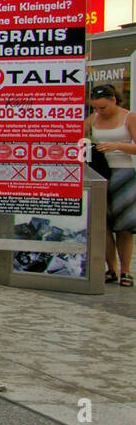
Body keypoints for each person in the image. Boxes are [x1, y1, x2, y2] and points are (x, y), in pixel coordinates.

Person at [85, 84, 136, 286]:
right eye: (96, 108)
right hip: (100, 172)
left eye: (103, 108)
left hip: (123, 171)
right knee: (102, 224)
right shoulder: (93, 119)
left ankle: (126, 270)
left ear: (114, 100)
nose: (99, 112)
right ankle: (111, 269)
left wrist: (118, 145)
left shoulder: (129, 117)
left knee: (123, 225)